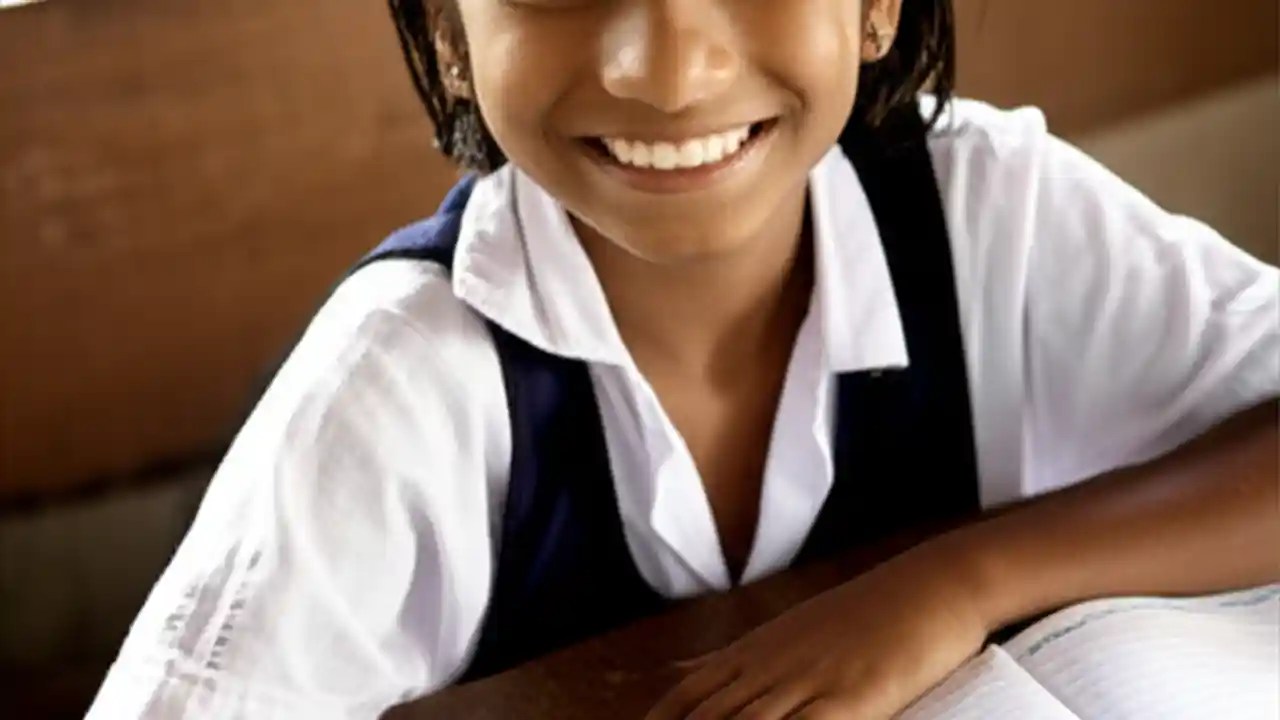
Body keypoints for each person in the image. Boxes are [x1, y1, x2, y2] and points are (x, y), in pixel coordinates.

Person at [88, 0, 1279, 717]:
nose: (665, 70)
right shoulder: (398, 386)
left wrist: (956, 584)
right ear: (449, 32)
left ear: (876, 4)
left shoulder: (982, 210)